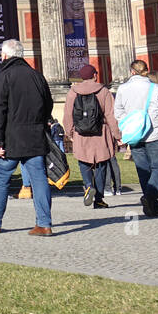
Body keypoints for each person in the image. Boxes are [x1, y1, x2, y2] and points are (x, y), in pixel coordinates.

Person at [0, 39, 55, 236]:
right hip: (34, 137)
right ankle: (44, 223)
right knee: (39, 180)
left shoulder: (3, 77)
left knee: (1, 179)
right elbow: (48, 104)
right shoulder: (37, 76)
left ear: (5, 55)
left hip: (10, 138)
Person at [113, 59, 158, 217]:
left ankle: (151, 207)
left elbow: (118, 112)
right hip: (154, 133)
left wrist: (125, 128)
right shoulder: (157, 88)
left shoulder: (122, 89)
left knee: (143, 170)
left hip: (134, 135)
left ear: (132, 71)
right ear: (146, 70)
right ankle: (149, 197)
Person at [64, 63, 119, 209]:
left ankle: (88, 186)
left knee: (83, 162)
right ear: (95, 75)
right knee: (101, 165)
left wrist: (69, 131)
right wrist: (117, 134)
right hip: (101, 132)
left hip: (81, 133)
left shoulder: (72, 92)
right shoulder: (104, 91)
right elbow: (110, 115)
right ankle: (99, 199)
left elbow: (68, 115)